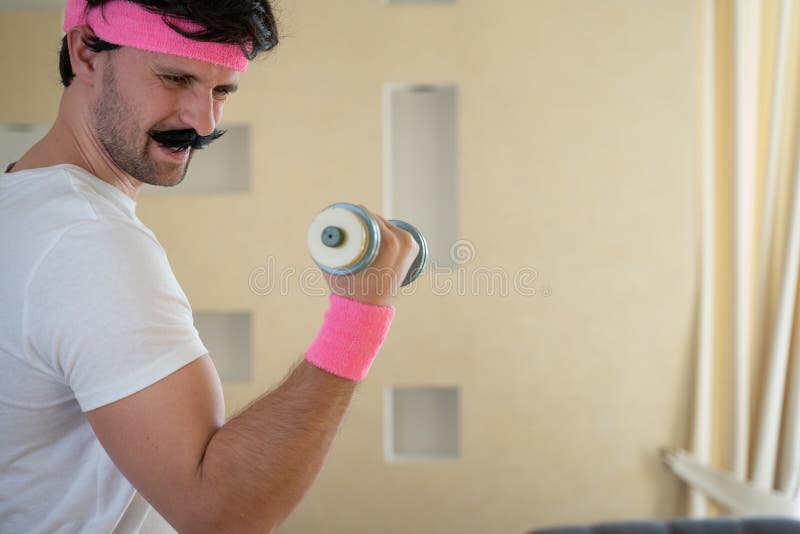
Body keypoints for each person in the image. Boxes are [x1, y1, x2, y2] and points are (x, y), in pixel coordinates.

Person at [0, 1, 419, 532]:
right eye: (175, 78)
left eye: (221, 90)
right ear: (85, 53)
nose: (205, 121)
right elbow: (221, 511)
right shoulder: (87, 243)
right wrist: (361, 310)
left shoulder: (18, 205)